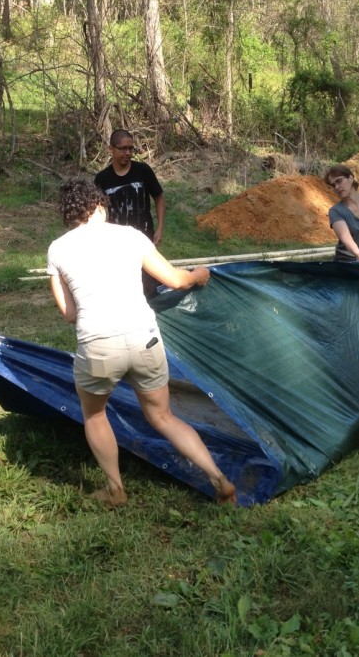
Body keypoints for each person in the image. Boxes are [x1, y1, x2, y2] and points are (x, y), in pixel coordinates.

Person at [46, 178, 236, 507]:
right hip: (143, 339)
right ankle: (218, 479)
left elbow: (68, 313)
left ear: (69, 215)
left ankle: (115, 489)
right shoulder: (131, 236)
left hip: (99, 345)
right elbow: (176, 280)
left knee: (94, 415)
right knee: (163, 417)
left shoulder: (58, 249)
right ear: (99, 205)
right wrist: (198, 275)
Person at [94, 129, 166, 297]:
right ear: (111, 149)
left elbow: (159, 198)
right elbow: (96, 211)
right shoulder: (102, 179)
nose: (128, 153)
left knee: (149, 289)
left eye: (131, 149)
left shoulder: (143, 171)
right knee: (121, 291)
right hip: (115, 245)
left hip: (145, 241)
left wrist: (160, 227)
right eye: (123, 148)